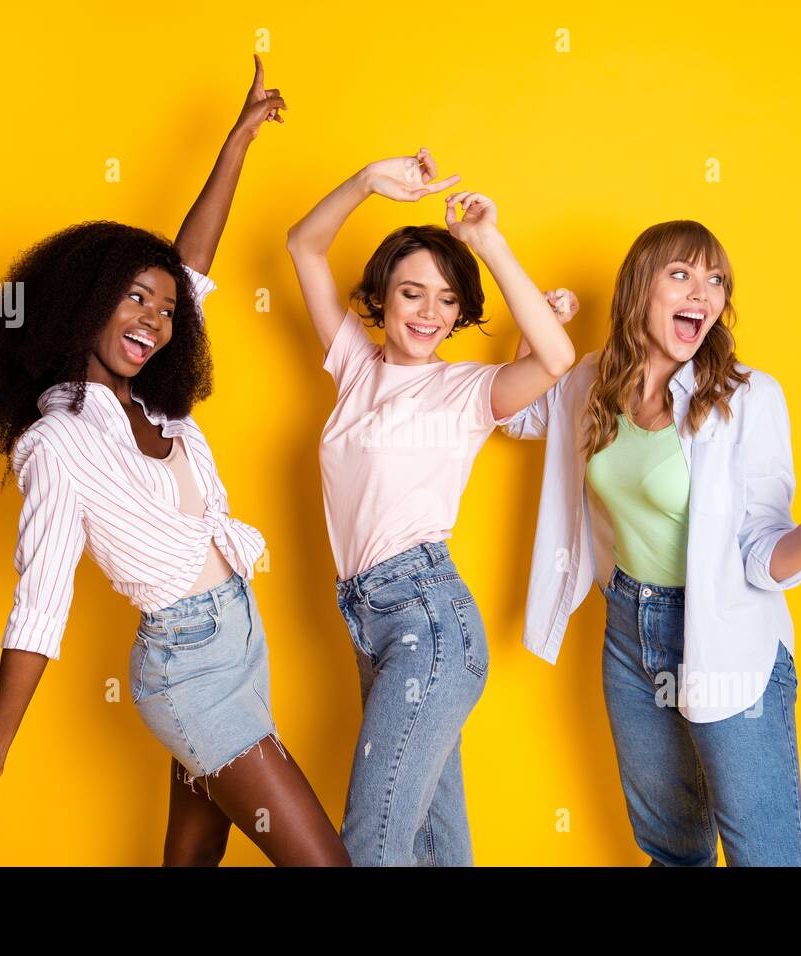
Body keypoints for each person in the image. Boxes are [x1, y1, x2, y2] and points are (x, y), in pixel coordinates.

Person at [0, 57, 350, 867]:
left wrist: (237, 143)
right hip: (186, 667)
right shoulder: (58, 444)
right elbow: (38, 604)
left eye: (166, 307)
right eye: (134, 298)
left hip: (239, 643)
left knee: (189, 862)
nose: (155, 317)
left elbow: (191, 263)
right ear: (85, 303)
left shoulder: (151, 405)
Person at [503, 219, 801, 866]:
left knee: (766, 857)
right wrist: (538, 331)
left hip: (725, 636)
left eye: (714, 280)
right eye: (681, 274)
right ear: (638, 290)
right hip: (627, 629)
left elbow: (763, 554)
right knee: (673, 851)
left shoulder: (747, 398)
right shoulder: (592, 382)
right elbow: (511, 413)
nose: (702, 293)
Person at [286, 148, 576, 864]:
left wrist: (488, 242)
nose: (429, 312)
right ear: (382, 295)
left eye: (447, 300)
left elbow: (556, 357)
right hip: (367, 621)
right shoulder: (355, 366)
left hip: (429, 620)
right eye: (413, 292)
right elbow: (303, 244)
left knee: (373, 842)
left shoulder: (466, 392)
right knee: (437, 850)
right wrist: (364, 184)